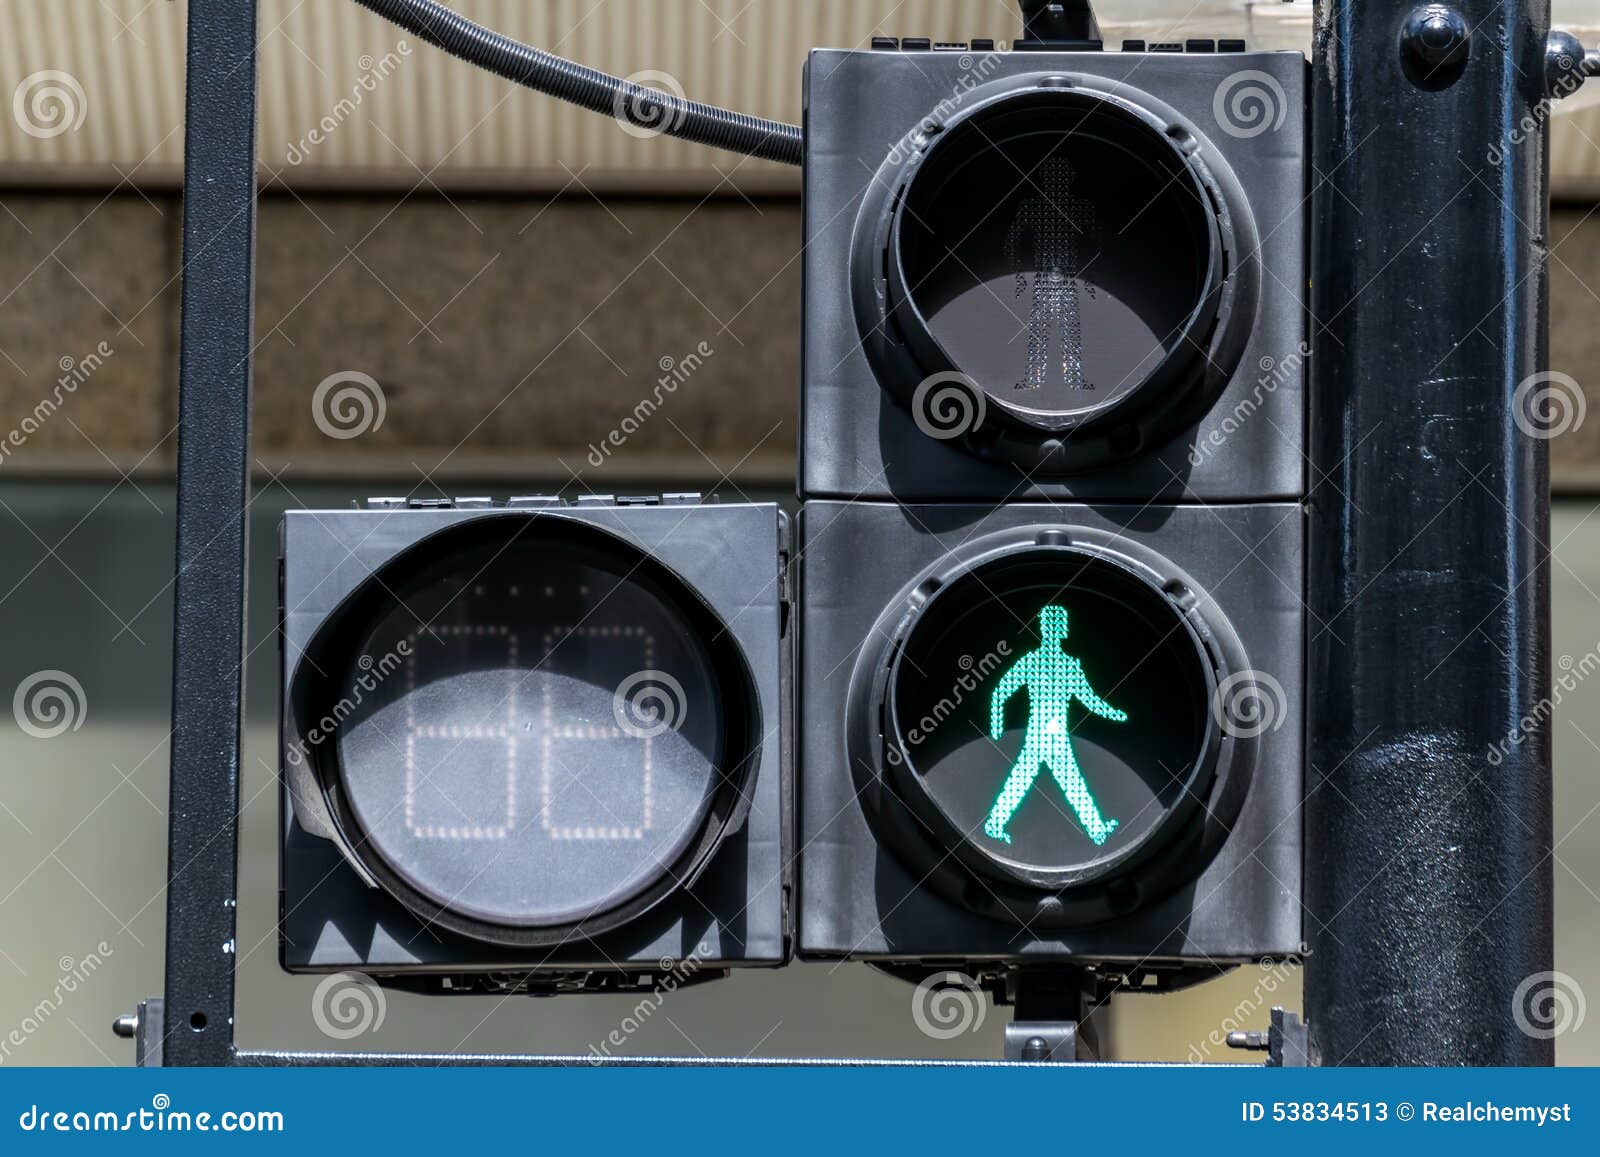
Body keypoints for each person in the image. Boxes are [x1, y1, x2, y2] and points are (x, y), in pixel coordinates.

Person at [984, 604, 1126, 847]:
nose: (1053, 630)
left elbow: (1089, 699)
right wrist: (996, 724)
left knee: (1056, 783)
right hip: (1042, 735)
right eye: (1050, 625)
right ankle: (1096, 830)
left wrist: (1114, 714)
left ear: (1062, 629)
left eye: (1056, 625)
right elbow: (1000, 691)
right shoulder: (1035, 662)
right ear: (1045, 629)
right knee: (1057, 783)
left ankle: (1096, 830)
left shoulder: (1067, 665)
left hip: (1052, 735)